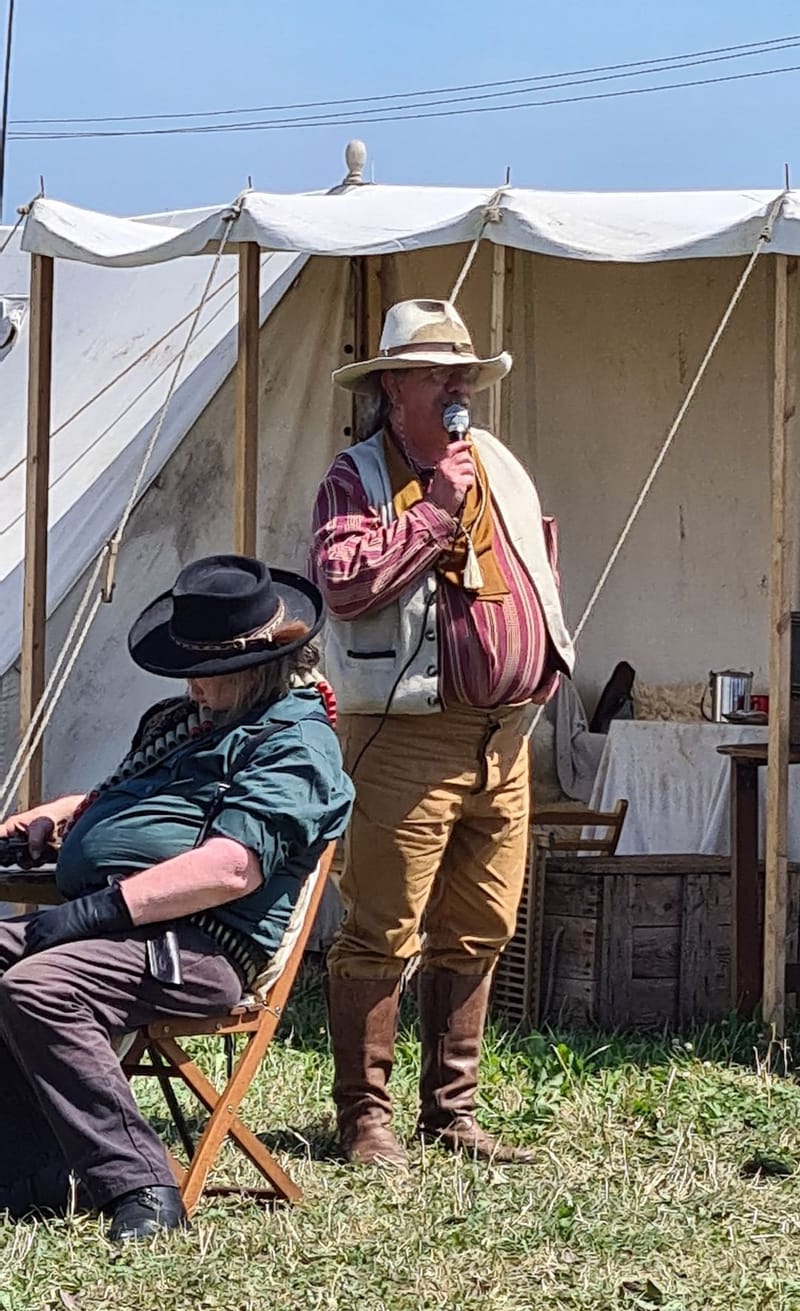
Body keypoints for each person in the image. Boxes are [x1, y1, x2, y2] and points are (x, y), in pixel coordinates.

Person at [0, 555, 353, 1240]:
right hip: (116, 928)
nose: (192, 683)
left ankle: (143, 1194)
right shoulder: (185, 723)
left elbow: (230, 869)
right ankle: (34, 1171)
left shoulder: (296, 744)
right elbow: (142, 800)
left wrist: (95, 910)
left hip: (197, 944)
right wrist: (62, 821)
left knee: (41, 986)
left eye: (207, 671)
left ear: (258, 667)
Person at [311, 298, 575, 1169]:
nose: (459, 385)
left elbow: (534, 563)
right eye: (437, 372)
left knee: (483, 922)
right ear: (393, 386)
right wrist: (434, 514)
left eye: (463, 370)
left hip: (503, 736)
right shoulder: (358, 475)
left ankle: (451, 1112)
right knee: (383, 925)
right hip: (408, 738)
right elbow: (343, 584)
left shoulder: (496, 460)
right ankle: (365, 1118)